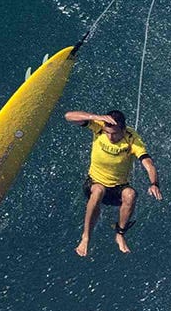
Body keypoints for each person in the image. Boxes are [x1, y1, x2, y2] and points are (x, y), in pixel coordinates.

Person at [63, 109, 163, 256]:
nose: (110, 137)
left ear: (123, 129)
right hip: (94, 182)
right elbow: (68, 116)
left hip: (117, 188)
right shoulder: (98, 126)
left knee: (130, 194)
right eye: (107, 132)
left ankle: (120, 234)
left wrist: (154, 184)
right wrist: (95, 117)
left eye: (115, 133)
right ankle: (86, 237)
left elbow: (148, 163)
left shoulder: (132, 139)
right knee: (98, 191)